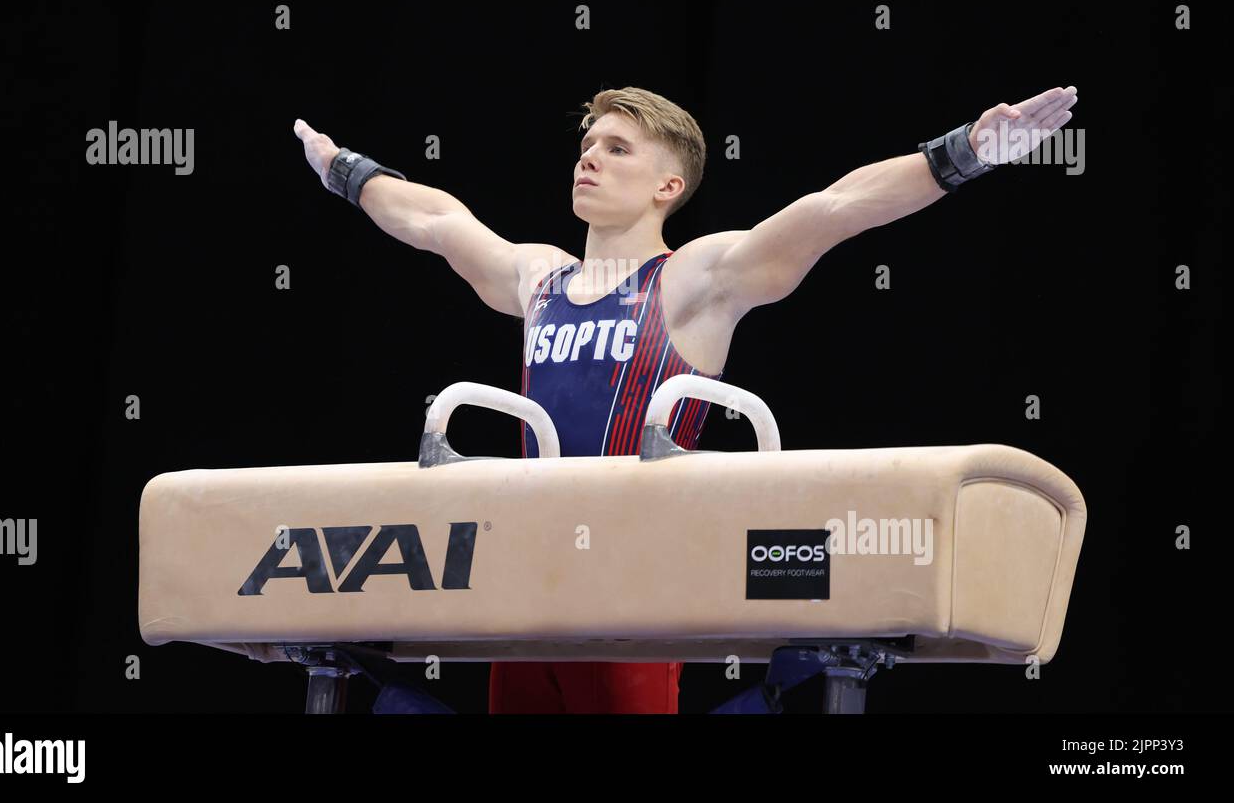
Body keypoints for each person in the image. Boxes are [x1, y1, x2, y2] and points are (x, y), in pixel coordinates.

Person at [292, 83, 1077, 713]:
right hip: (526, 580)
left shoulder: (697, 279)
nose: (589, 157)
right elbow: (434, 220)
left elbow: (834, 209)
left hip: (637, 580)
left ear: (669, 184)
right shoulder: (539, 278)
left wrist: (966, 153)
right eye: (587, 144)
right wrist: (345, 171)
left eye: (616, 147)